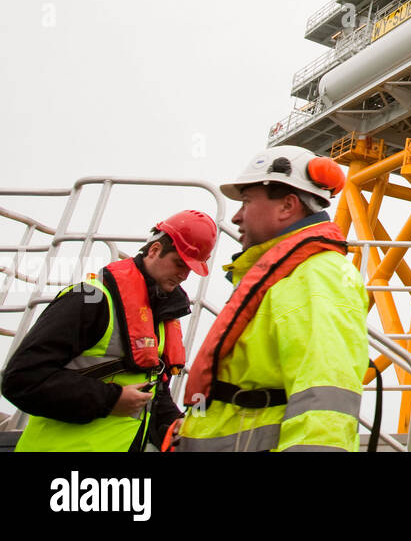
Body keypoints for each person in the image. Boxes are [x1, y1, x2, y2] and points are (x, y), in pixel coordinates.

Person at [171, 145, 368, 452]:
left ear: (287, 206)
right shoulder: (284, 274)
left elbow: (325, 397)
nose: (236, 216)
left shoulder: (314, 276)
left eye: (246, 202)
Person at [2, 211, 217, 452]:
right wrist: (111, 399)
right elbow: (21, 379)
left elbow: (151, 393)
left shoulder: (161, 317)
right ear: (155, 250)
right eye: (180, 263)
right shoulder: (90, 299)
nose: (184, 275)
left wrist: (173, 425)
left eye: (191, 269)